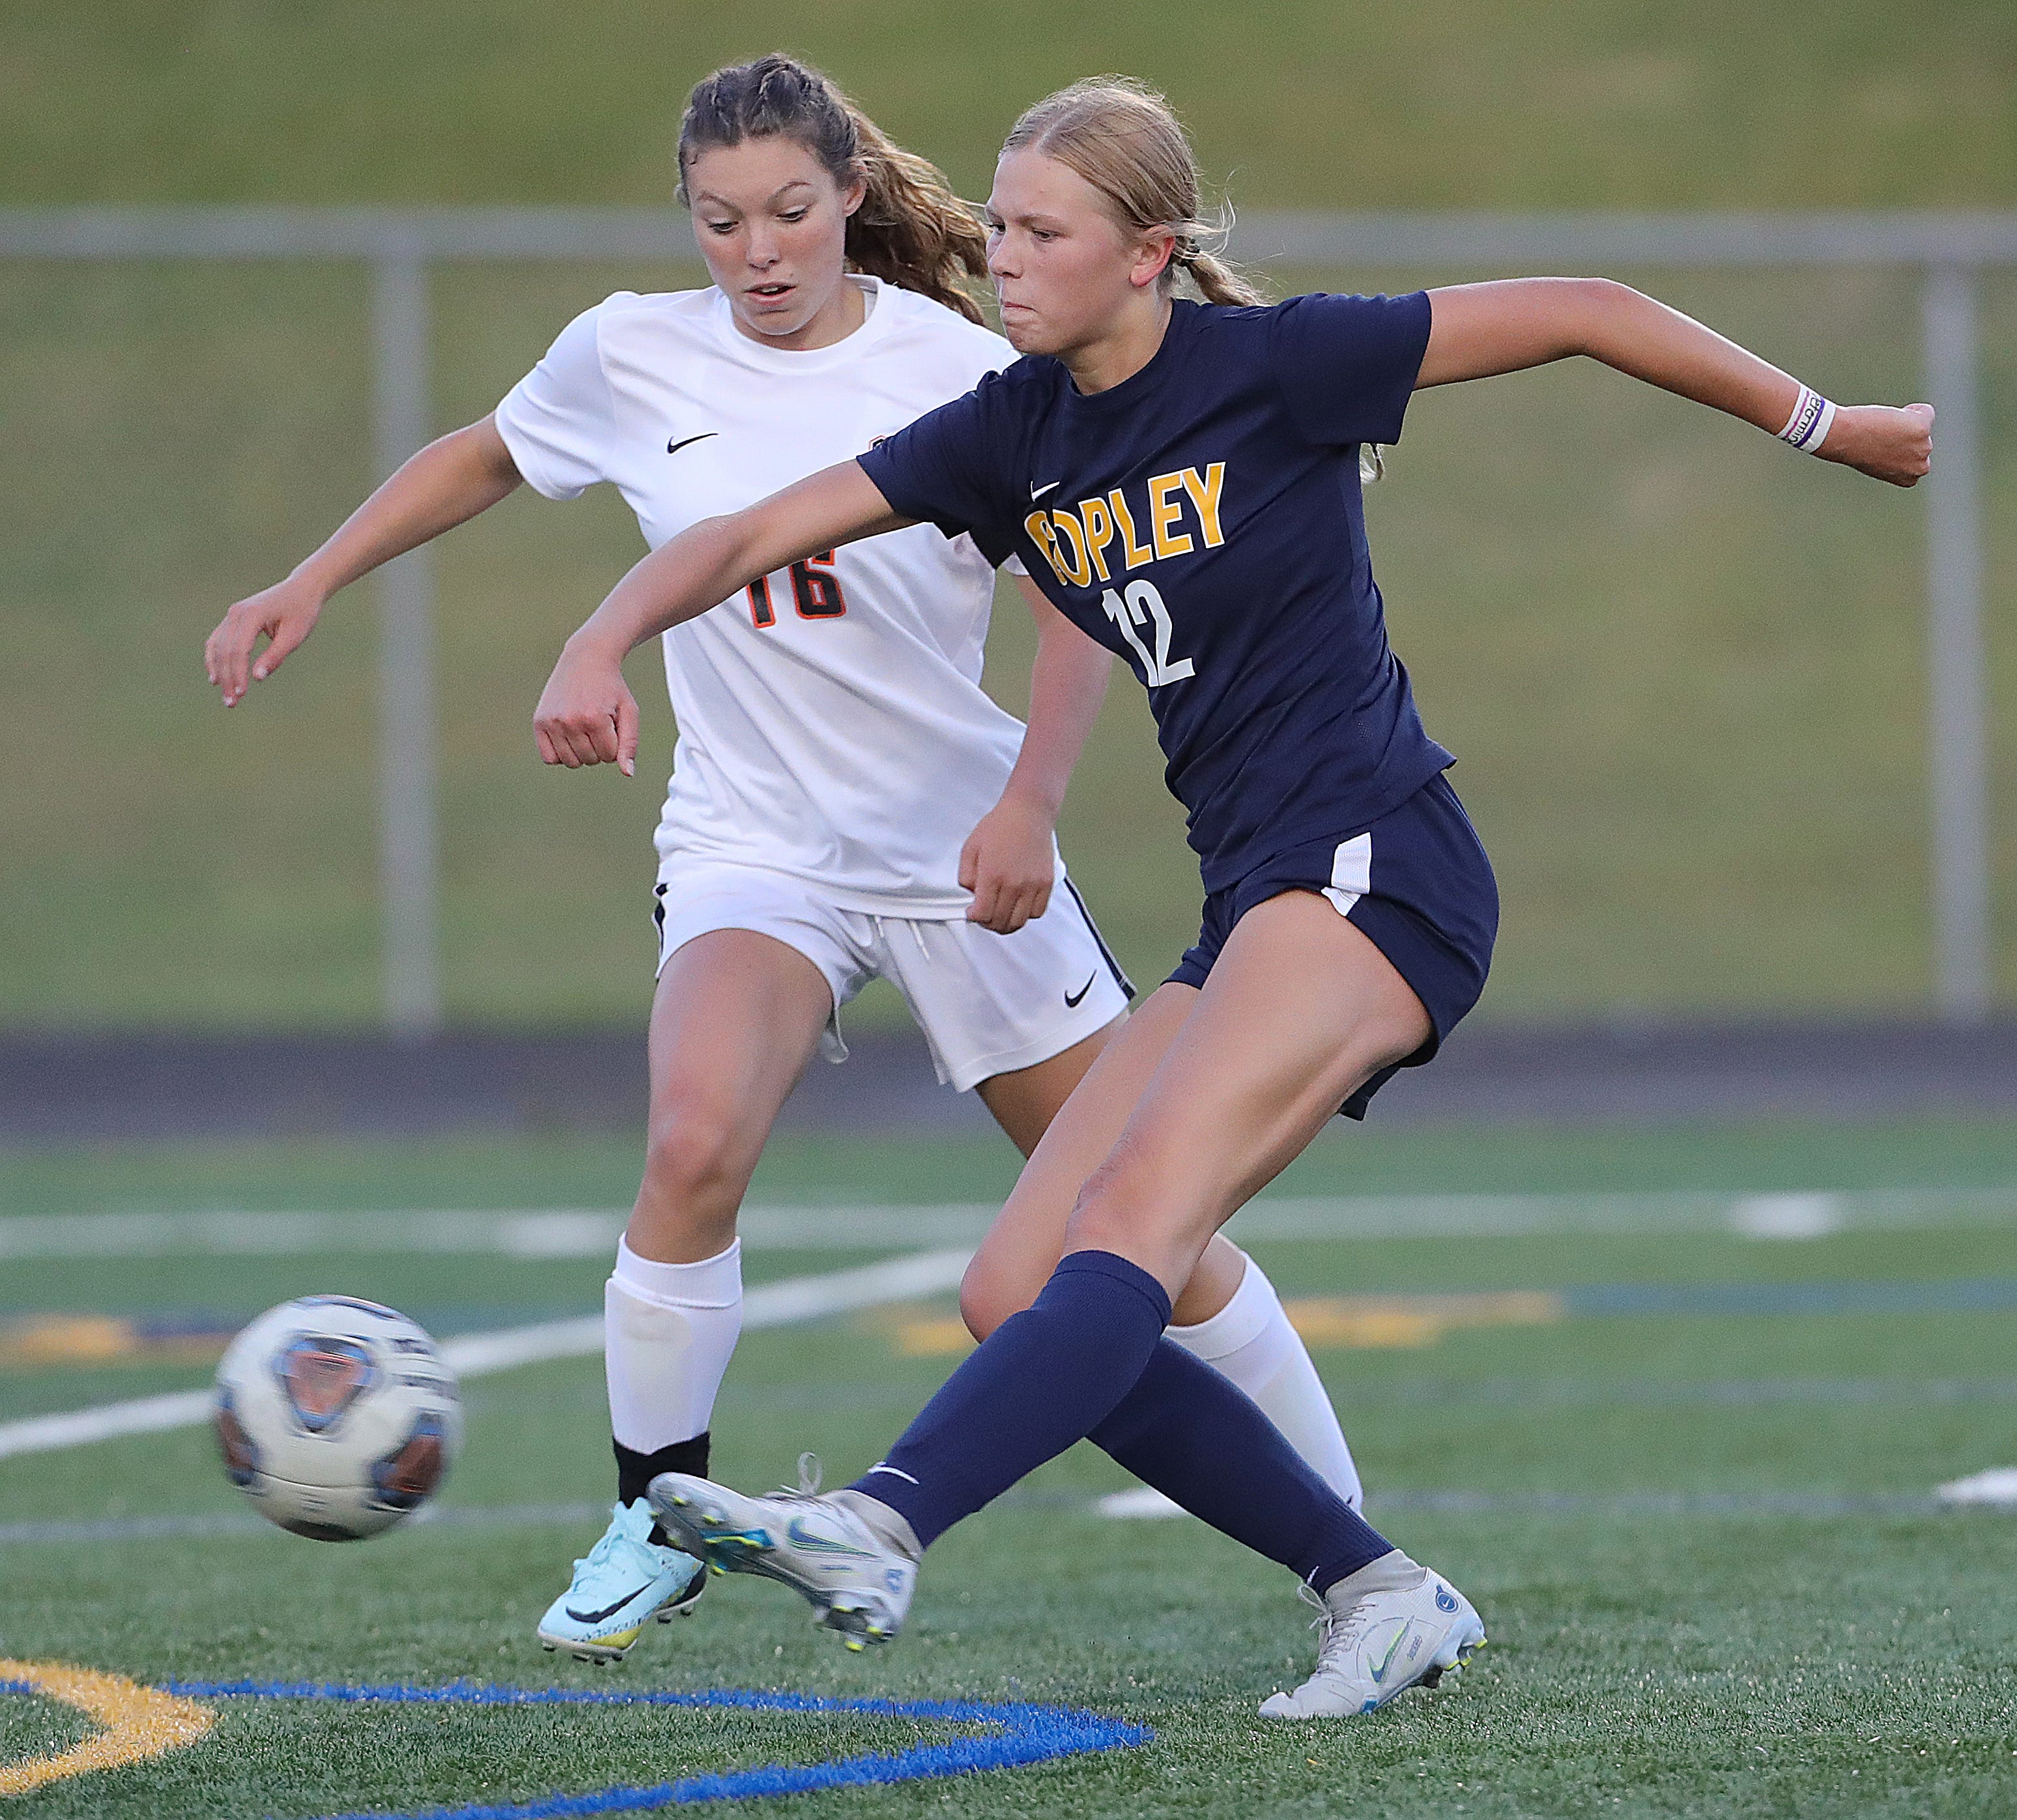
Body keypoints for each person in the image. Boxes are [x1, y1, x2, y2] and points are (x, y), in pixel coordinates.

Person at [530, 74, 1933, 1717]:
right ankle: (1382, 1588)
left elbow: (1588, 310)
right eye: (1000, 221)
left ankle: (875, 1522)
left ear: (1150, 253)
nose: (1004, 257)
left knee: (1133, 1222)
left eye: (1044, 232)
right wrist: (597, 637)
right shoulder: (1015, 428)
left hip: (1373, 865)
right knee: (1013, 1288)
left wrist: (1832, 425)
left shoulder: (1273, 369)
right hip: (1250, 896)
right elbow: (763, 527)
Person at [204, 57, 1371, 1668]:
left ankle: (1351, 1546)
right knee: (690, 1137)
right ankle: (653, 1511)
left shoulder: (964, 365)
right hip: (754, 841)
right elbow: (486, 451)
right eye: (720, 221)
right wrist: (310, 576)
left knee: (1134, 1226)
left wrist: (1030, 801)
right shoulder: (628, 350)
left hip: (956, 848)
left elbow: (1076, 602)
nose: (756, 251)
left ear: (851, 200)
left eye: (791, 213)